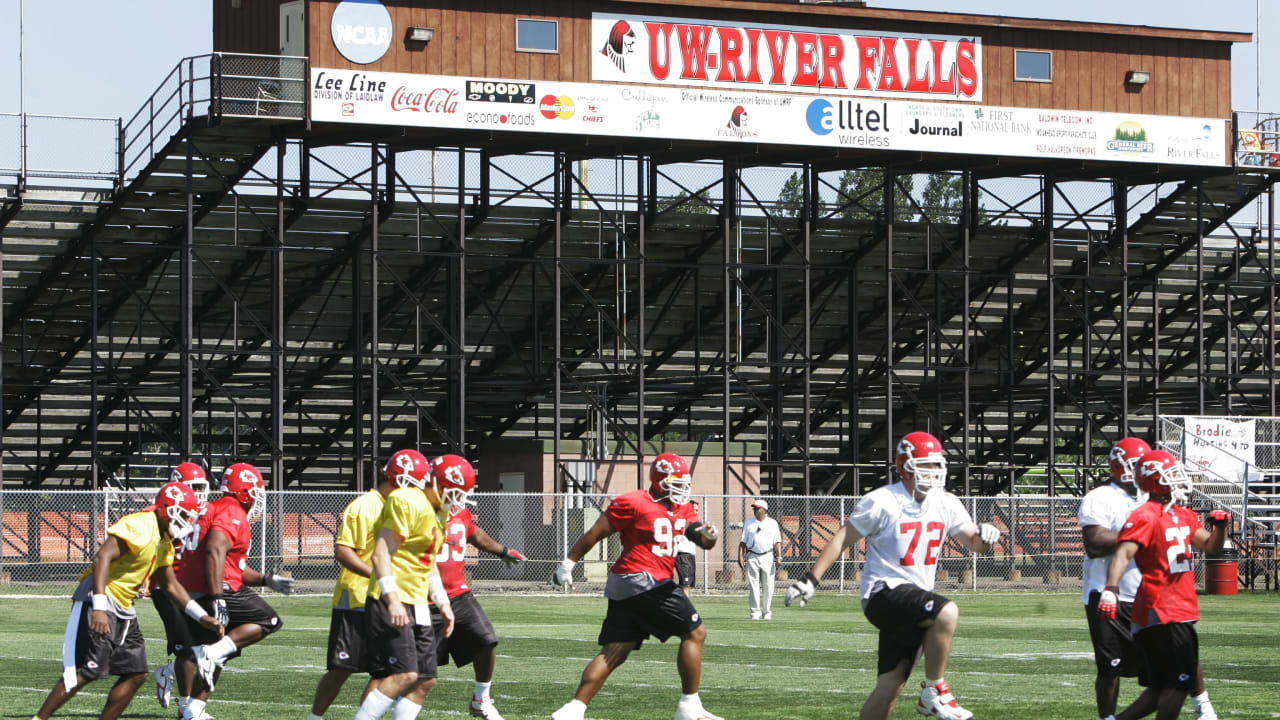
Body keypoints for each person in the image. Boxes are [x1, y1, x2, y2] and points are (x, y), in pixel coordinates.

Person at [785, 431, 1001, 720]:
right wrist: (811, 579)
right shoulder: (883, 500)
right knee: (947, 612)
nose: (935, 471)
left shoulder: (945, 502)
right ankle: (934, 691)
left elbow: (973, 543)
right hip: (882, 592)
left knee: (890, 685)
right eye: (927, 464)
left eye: (938, 465)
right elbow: (842, 538)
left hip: (913, 598)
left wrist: (987, 537)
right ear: (906, 466)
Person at [549, 452, 722, 720]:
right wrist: (568, 564)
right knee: (695, 632)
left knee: (616, 651)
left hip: (629, 585)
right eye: (677, 482)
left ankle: (573, 709)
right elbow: (596, 532)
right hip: (643, 579)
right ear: (661, 480)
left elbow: (701, 539)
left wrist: (709, 536)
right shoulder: (634, 502)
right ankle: (690, 709)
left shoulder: (682, 508)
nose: (683, 488)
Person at [32, 482, 222, 720]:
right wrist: (100, 609)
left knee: (136, 673)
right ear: (167, 510)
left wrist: (201, 616)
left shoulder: (164, 540)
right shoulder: (141, 525)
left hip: (124, 606)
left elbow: (170, 584)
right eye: (183, 513)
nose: (187, 519)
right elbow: (101, 557)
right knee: (85, 671)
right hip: (100, 598)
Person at [1079, 439, 1222, 720]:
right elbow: (1096, 544)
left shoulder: (1164, 506)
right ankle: (1107, 717)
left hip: (1160, 597)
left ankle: (1202, 706)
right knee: (1114, 666)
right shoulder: (1106, 499)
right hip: (1125, 595)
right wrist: (1141, 531)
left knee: (1174, 667)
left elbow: (1209, 545)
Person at [178, 462, 296, 720]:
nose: (258, 495)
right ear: (243, 491)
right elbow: (214, 550)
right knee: (269, 620)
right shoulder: (232, 511)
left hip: (199, 586)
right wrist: (218, 596)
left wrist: (266, 579)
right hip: (214, 588)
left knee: (223, 648)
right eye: (254, 490)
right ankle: (208, 655)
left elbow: (232, 565)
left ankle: (193, 711)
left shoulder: (216, 507)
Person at [350, 448, 460, 720]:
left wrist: (443, 602)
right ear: (438, 484)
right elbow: (380, 553)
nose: (458, 497)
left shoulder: (439, 513)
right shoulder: (405, 500)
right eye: (455, 490)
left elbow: (428, 562)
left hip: (418, 600)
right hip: (393, 599)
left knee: (425, 678)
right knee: (404, 674)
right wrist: (393, 599)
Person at [425, 454, 526, 720]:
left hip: (458, 593)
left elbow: (474, 533)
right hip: (421, 598)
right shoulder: (416, 510)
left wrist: (503, 550)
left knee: (486, 640)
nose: (459, 497)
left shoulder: (459, 510)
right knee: (419, 672)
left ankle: (481, 699)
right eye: (455, 490)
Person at [305, 460, 398, 720]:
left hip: (387, 598)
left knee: (385, 671)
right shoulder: (364, 506)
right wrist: (377, 576)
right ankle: (314, 718)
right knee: (342, 668)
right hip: (356, 598)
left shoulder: (404, 507)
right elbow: (343, 551)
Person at [150, 462, 212, 716]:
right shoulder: (164, 511)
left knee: (202, 646)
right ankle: (186, 705)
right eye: (192, 487)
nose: (197, 493)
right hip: (167, 585)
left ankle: (169, 676)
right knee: (187, 647)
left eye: (201, 487)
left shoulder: (209, 511)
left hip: (193, 587)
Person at [737, 498, 781, 620]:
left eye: (757, 508)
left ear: (764, 510)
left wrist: (779, 556)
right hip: (752, 556)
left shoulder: (772, 523)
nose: (755, 510)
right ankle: (755, 612)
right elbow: (743, 542)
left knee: (768, 585)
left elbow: (777, 541)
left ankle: (767, 611)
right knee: (753, 585)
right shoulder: (748, 523)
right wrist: (740, 556)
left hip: (767, 555)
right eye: (754, 508)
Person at [674, 500, 700, 593]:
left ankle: (681, 603)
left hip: (690, 555)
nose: (696, 512)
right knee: (686, 584)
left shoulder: (694, 522)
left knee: (688, 585)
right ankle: (682, 605)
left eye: (697, 510)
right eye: (694, 510)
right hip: (683, 554)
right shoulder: (683, 521)